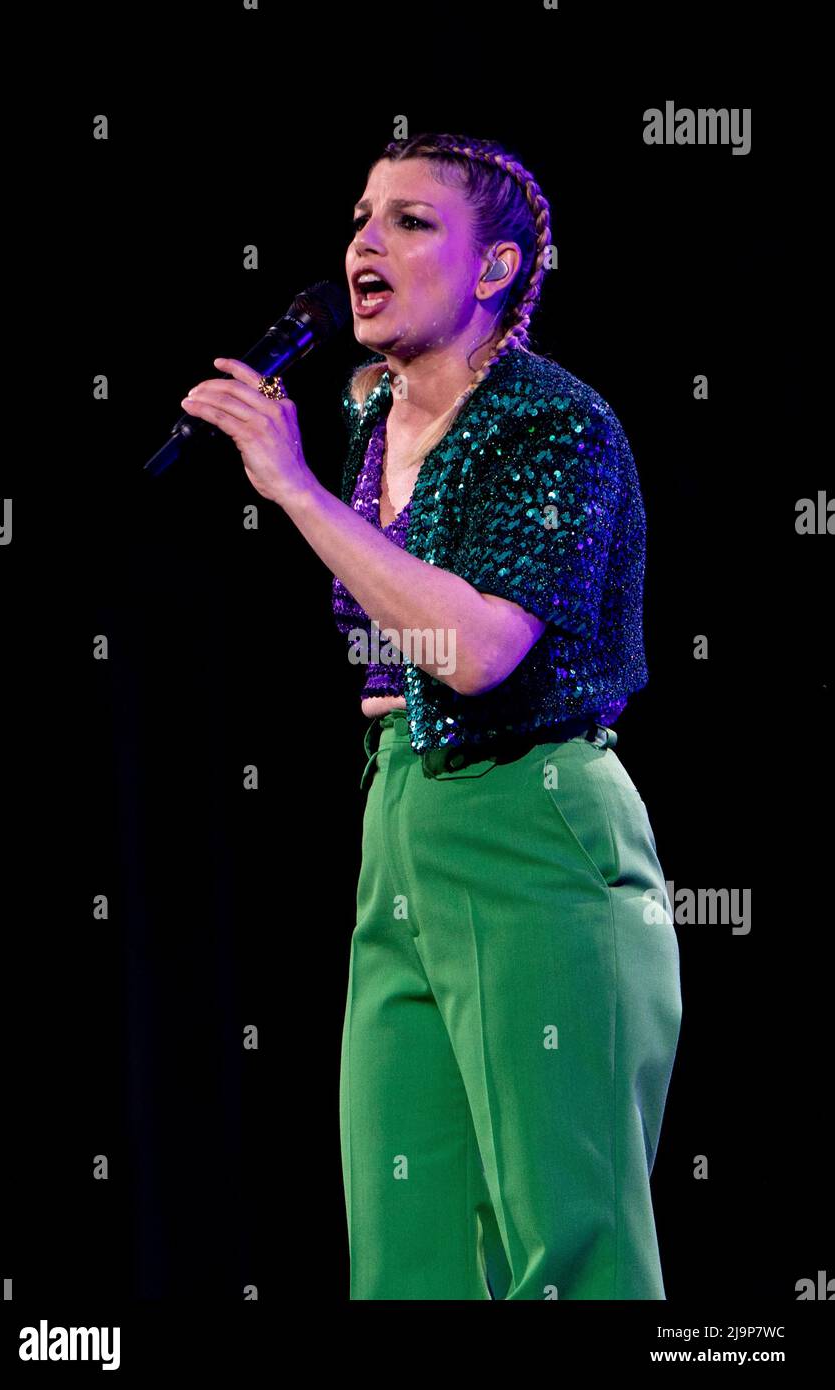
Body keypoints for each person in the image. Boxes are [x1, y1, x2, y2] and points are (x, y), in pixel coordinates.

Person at [179, 131, 683, 1301]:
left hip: (529, 811)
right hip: (396, 810)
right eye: (360, 214)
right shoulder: (373, 420)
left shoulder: (547, 424)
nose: (364, 238)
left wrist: (289, 488)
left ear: (495, 268)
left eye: (409, 221)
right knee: (407, 1255)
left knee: (565, 1246)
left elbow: (472, 650)